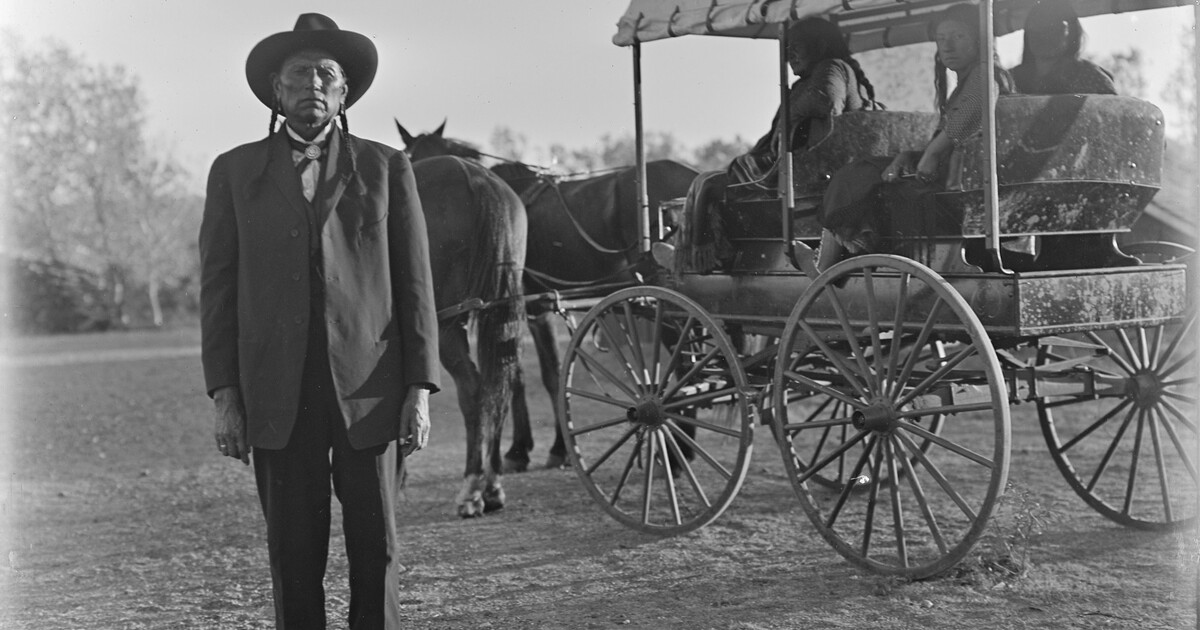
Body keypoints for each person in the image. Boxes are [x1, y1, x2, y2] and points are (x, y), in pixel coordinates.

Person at [199, 13, 440, 629]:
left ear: (344, 92)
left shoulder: (387, 168)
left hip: (370, 393)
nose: (314, 82)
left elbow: (415, 287)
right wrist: (226, 395)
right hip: (277, 395)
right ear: (276, 92)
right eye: (299, 72)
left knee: (376, 545)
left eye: (327, 73)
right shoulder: (234, 171)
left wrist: (418, 390)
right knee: (292, 552)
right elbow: (218, 290)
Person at [816, 3, 1015, 271]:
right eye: (942, 39)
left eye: (958, 36)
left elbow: (976, 107)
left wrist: (933, 153)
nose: (948, 46)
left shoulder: (985, 74)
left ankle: (828, 268)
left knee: (854, 176)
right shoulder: (969, 78)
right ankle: (849, 249)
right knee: (860, 173)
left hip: (962, 189)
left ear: (979, 39)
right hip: (959, 181)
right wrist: (909, 156)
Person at [728, 17, 878, 188]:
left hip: (817, 168)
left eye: (796, 47)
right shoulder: (809, 80)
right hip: (812, 166)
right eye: (788, 48)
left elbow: (824, 100)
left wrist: (791, 114)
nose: (789, 55)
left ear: (820, 46)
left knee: (714, 184)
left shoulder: (831, 66)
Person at [1010, 0, 1116, 96]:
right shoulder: (1010, 80)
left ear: (1071, 32)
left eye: (1052, 27)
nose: (1043, 35)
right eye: (1035, 27)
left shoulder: (1091, 77)